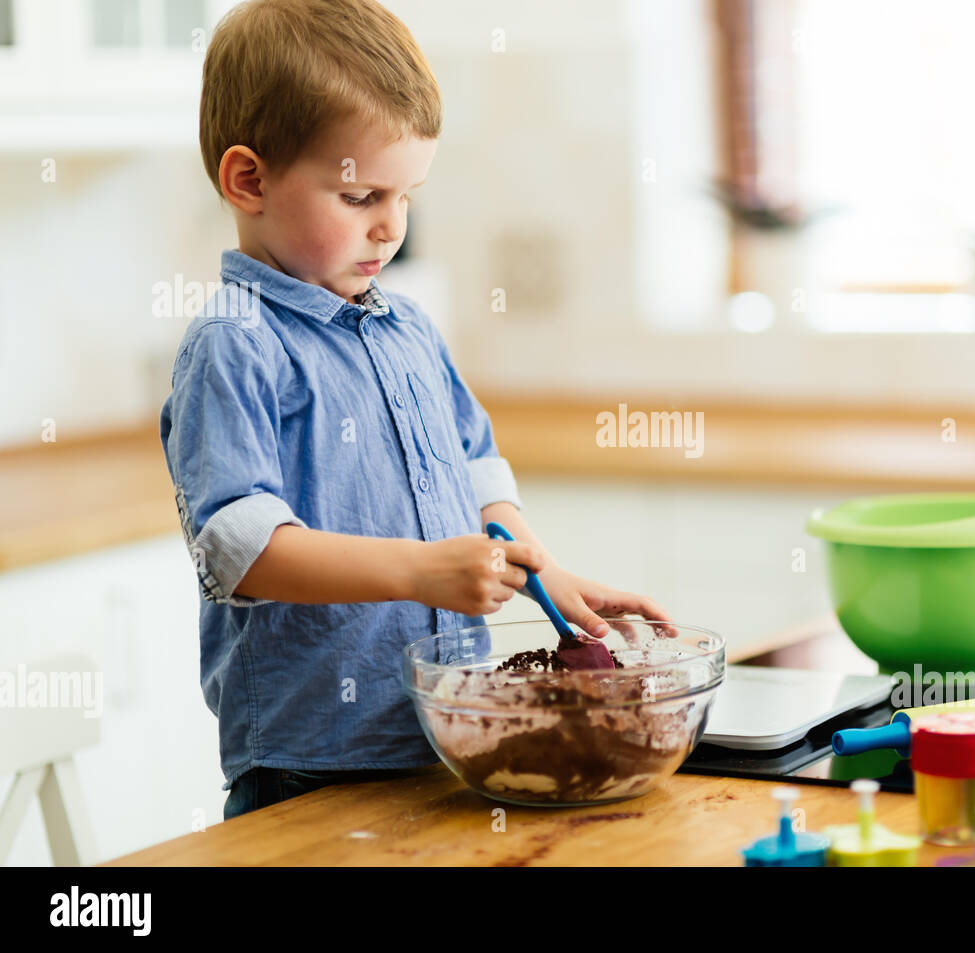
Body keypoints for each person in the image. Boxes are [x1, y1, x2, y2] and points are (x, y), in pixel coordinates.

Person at [160, 0, 672, 820]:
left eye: (408, 196)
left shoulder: (407, 327)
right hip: (312, 762)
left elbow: (476, 471)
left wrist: (543, 576)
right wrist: (421, 570)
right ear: (247, 180)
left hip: (445, 732)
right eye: (360, 195)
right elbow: (242, 550)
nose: (391, 226)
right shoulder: (236, 344)